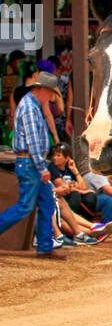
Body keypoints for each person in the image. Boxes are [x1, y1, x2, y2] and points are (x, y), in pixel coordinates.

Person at [0, 71, 64, 258]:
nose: (52, 98)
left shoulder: (32, 105)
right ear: (43, 90)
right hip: (30, 163)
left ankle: (45, 247)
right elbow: (33, 141)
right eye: (51, 93)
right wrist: (42, 167)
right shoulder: (29, 107)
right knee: (25, 206)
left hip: (31, 162)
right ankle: (44, 247)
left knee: (46, 204)